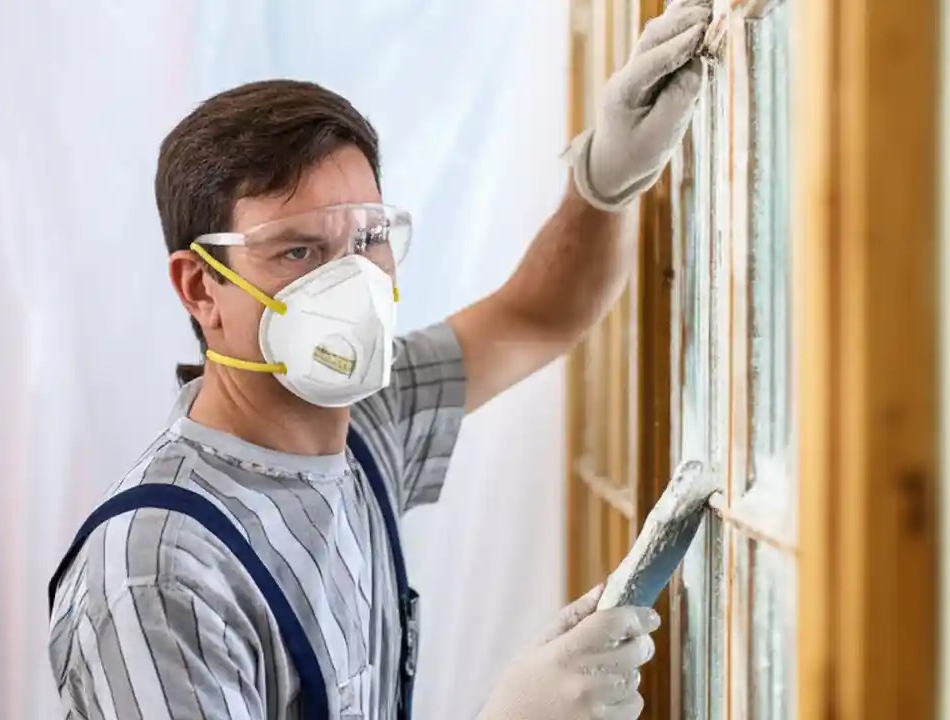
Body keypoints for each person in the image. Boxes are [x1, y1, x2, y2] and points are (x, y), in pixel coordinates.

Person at [47, 2, 710, 718]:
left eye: (367, 240)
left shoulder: (369, 425)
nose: (351, 283)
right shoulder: (157, 574)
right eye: (298, 251)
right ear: (201, 287)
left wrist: (604, 178)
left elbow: (538, 314)